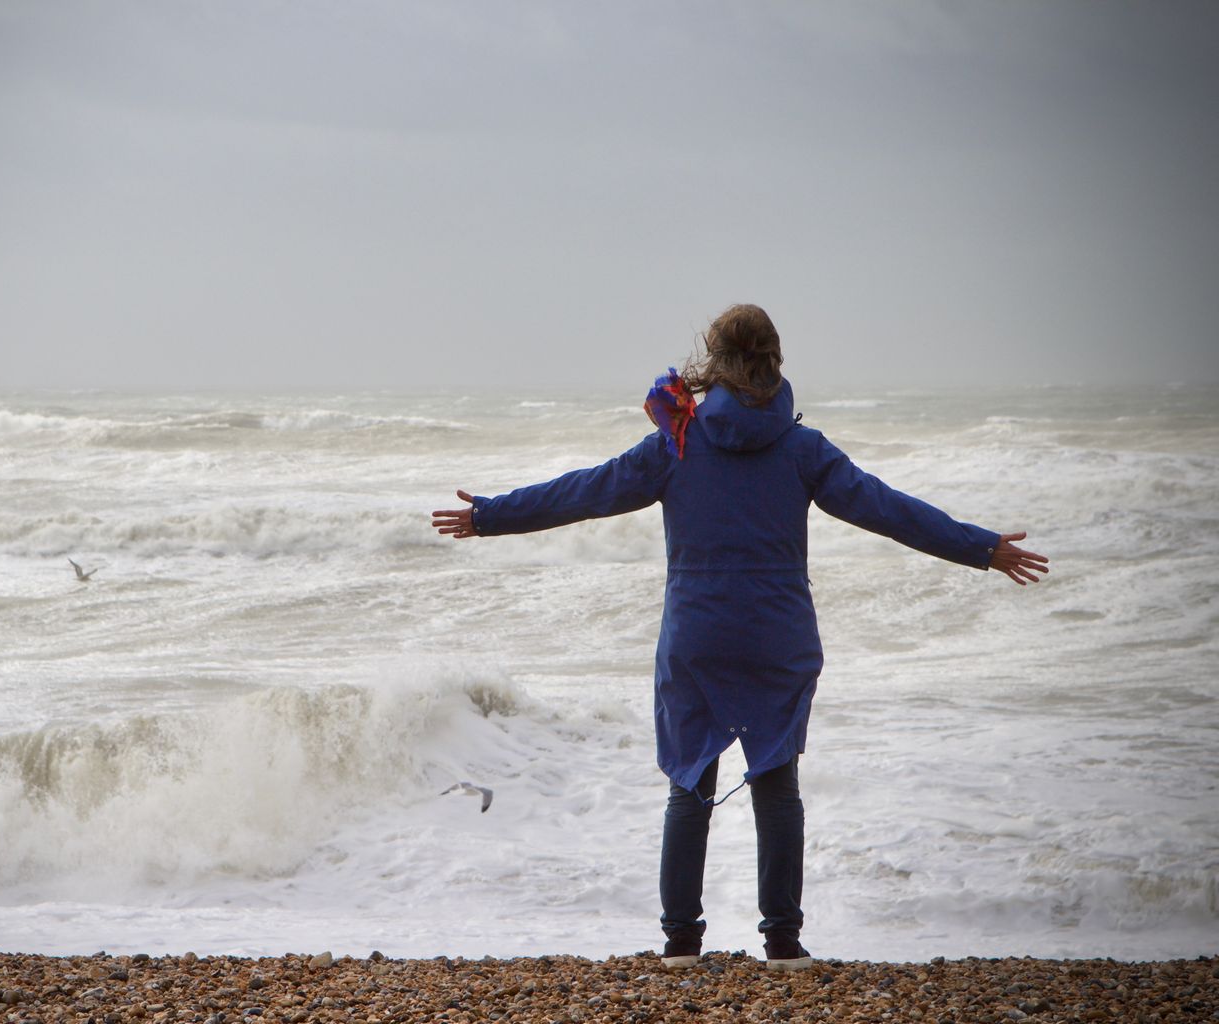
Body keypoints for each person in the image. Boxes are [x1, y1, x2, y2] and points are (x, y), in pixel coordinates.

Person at [431, 303, 1048, 972]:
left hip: (696, 635)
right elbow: (887, 509)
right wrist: (982, 549)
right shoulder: (803, 450)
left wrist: (489, 516)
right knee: (776, 783)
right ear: (776, 360)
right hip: (776, 637)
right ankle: (783, 942)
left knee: (689, 784)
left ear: (715, 361)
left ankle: (680, 946)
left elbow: (587, 491)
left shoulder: (677, 443)